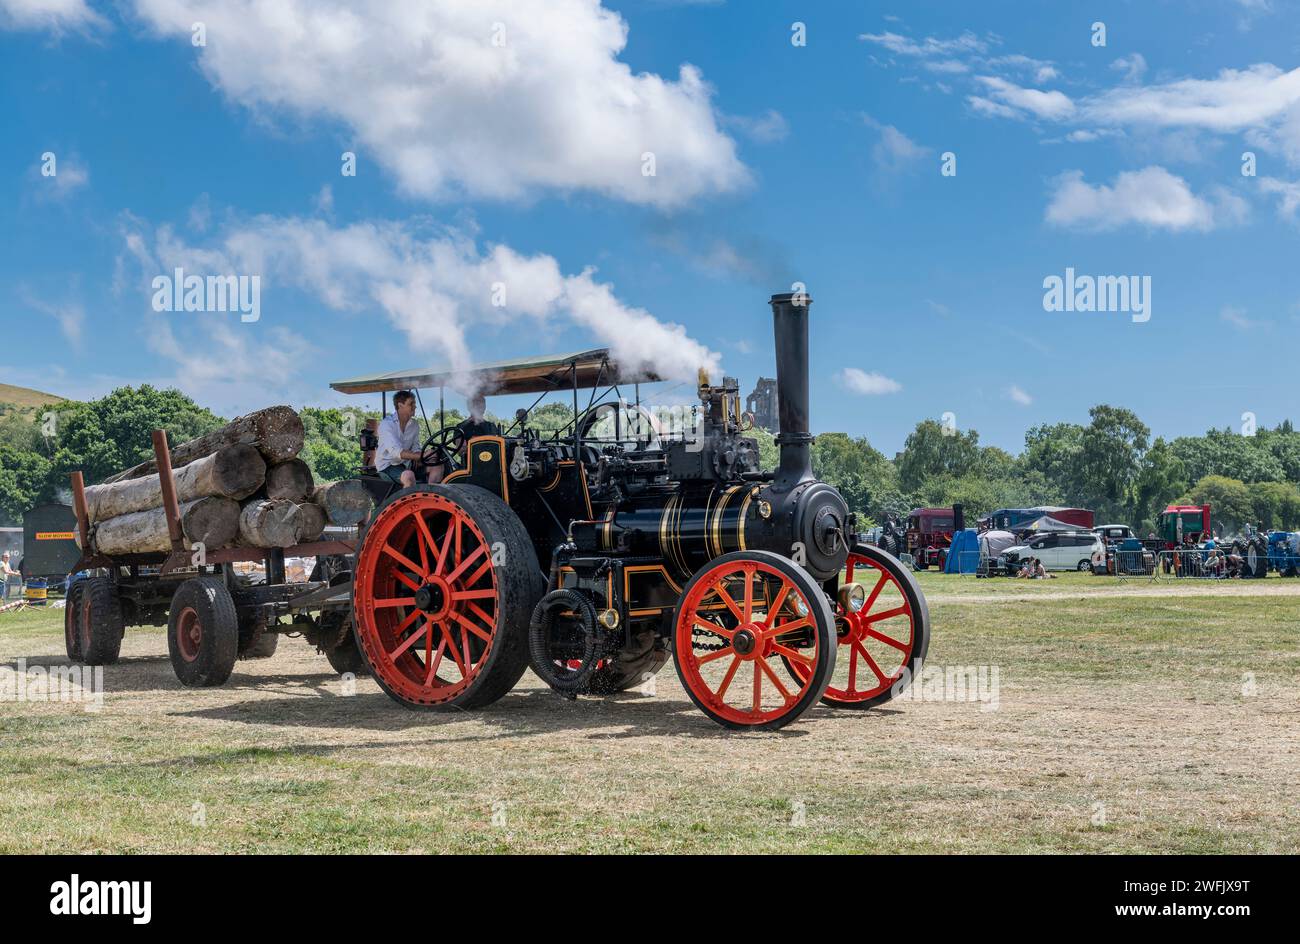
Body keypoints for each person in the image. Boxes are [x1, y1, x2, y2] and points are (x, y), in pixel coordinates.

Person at [430, 394, 501, 484]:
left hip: (492, 465)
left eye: (482, 403)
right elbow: (461, 451)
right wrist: (473, 444)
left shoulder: (491, 426)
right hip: (469, 466)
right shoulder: (461, 427)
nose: (481, 406)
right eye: (477, 403)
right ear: (470, 407)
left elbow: (497, 447)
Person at [375, 390, 434, 489]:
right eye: (411, 403)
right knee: (408, 476)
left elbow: (415, 446)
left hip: (406, 463)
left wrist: (420, 455)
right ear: (400, 405)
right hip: (388, 466)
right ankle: (411, 503)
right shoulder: (387, 424)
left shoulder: (414, 424)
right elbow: (396, 452)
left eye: (414, 403)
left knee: (436, 462)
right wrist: (419, 456)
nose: (415, 406)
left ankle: (433, 495)